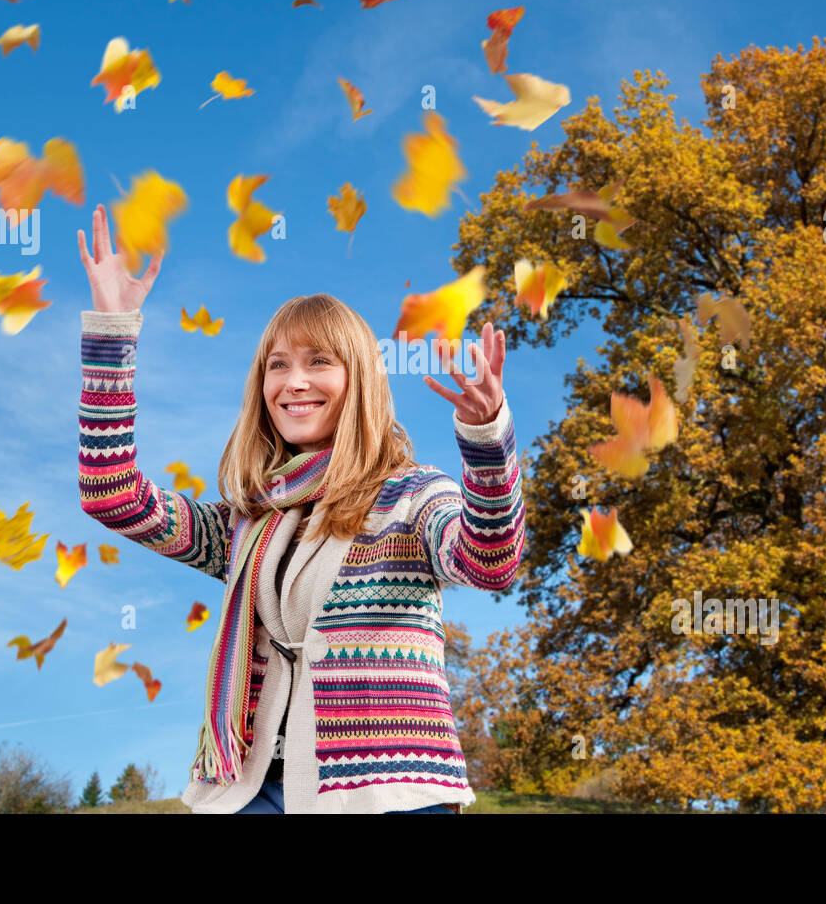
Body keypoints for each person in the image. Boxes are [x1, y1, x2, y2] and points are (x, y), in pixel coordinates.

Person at [76, 205, 527, 814]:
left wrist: (486, 444)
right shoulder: (249, 523)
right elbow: (113, 494)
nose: (294, 382)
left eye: (319, 361)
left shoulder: (412, 494)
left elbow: (490, 564)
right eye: (277, 365)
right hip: (259, 781)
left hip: (388, 788)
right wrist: (111, 329)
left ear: (359, 379)